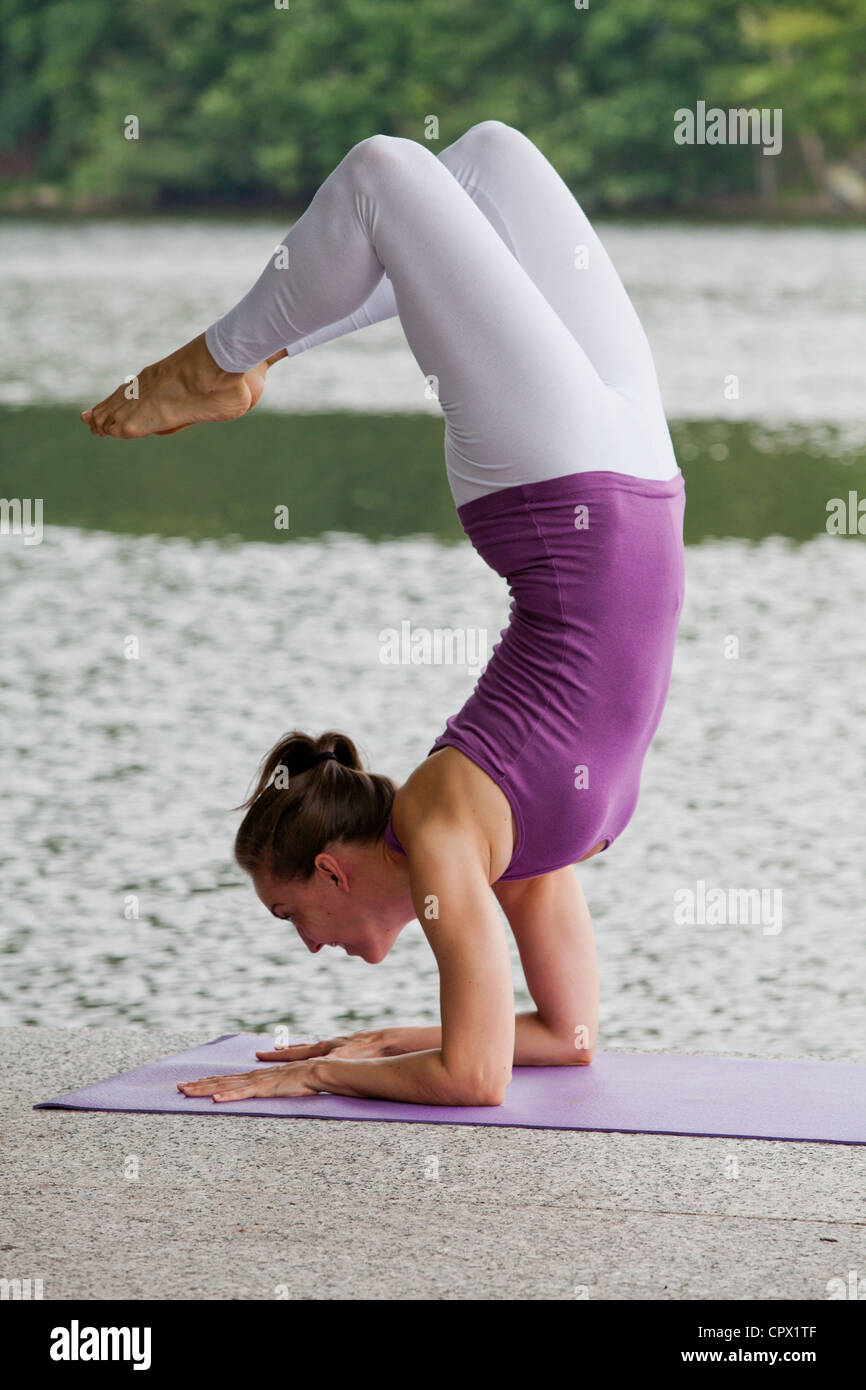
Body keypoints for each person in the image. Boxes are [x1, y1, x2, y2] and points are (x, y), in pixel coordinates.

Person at [82, 121, 685, 1107]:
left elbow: (473, 1076)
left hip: (553, 484)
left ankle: (225, 359)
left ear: (328, 869)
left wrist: (320, 1073)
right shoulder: (511, 851)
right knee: (482, 158)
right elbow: (565, 1037)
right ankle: (252, 356)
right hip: (640, 477)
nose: (308, 944)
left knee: (387, 173)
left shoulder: (441, 827)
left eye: (290, 915)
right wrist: (380, 1040)